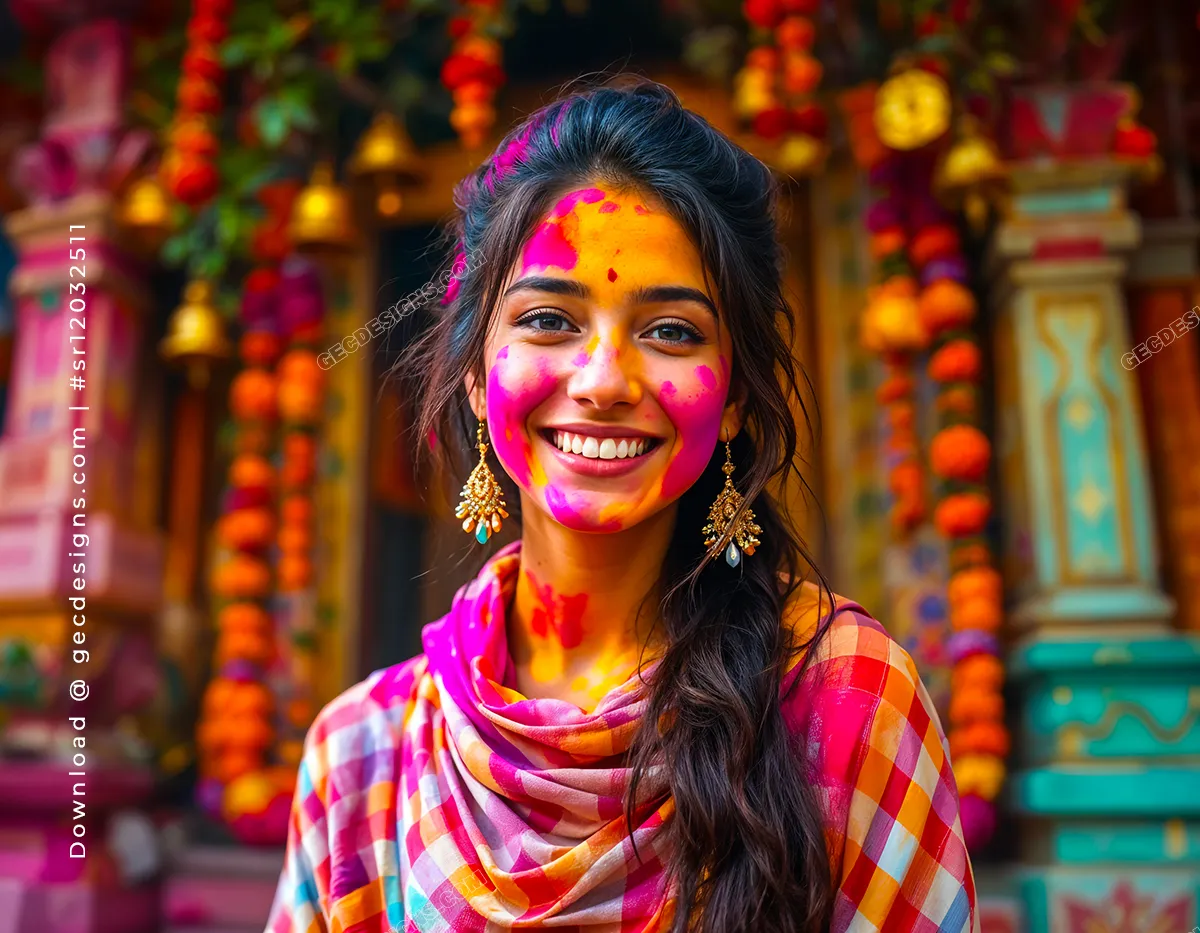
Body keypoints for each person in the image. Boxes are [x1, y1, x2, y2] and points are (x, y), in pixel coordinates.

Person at [265, 78, 979, 933]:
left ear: (737, 400)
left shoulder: (845, 702)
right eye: (548, 321)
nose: (604, 381)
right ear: (472, 374)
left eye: (670, 331)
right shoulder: (362, 754)